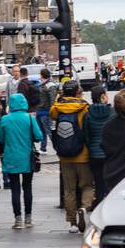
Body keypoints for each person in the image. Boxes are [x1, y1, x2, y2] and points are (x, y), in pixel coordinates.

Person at [51, 79, 92, 233]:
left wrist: (59, 98)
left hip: (64, 156)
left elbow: (52, 113)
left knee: (69, 190)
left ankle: (72, 222)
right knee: (87, 186)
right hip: (82, 154)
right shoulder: (84, 107)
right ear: (77, 92)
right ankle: (84, 207)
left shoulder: (57, 108)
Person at [0, 92, 42, 228]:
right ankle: (28, 219)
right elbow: (39, 136)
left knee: (15, 189)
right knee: (27, 187)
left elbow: (1, 139)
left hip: (11, 157)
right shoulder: (29, 118)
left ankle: (18, 220)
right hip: (27, 158)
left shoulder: (5, 119)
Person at [86, 86, 112, 207]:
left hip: (94, 153)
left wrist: (90, 146)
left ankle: (98, 204)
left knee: (98, 181)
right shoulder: (112, 112)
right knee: (109, 181)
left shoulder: (88, 113)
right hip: (109, 153)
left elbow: (85, 135)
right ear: (102, 97)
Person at [38, 70, 57, 152]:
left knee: (48, 131)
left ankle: (57, 147)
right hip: (41, 111)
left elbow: (52, 100)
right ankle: (43, 148)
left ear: (42, 75)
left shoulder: (50, 86)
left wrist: (52, 112)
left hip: (46, 112)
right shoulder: (43, 85)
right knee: (42, 131)